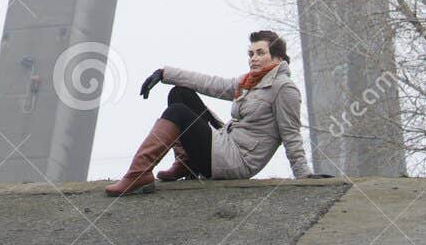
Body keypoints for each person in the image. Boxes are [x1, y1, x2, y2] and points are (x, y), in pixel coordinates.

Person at [105, 29, 314, 196]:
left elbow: (291, 134)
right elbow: (211, 84)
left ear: (277, 58)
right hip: (225, 143)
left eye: (260, 53)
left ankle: (138, 173)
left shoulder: (283, 88)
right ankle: (186, 164)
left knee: (178, 112)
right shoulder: (250, 82)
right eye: (251, 54)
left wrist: (303, 176)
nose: (253, 59)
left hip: (235, 162)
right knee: (181, 94)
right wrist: (164, 73)